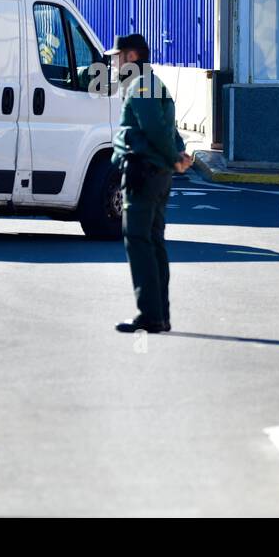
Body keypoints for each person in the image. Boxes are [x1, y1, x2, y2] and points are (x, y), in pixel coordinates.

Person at [108, 34, 193, 334]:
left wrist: (173, 158)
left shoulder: (141, 86)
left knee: (139, 240)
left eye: (118, 57)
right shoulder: (154, 83)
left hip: (145, 172)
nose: (114, 63)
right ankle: (160, 314)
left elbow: (155, 129)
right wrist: (175, 156)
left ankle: (149, 314)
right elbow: (167, 127)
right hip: (157, 173)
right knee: (154, 241)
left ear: (131, 57)